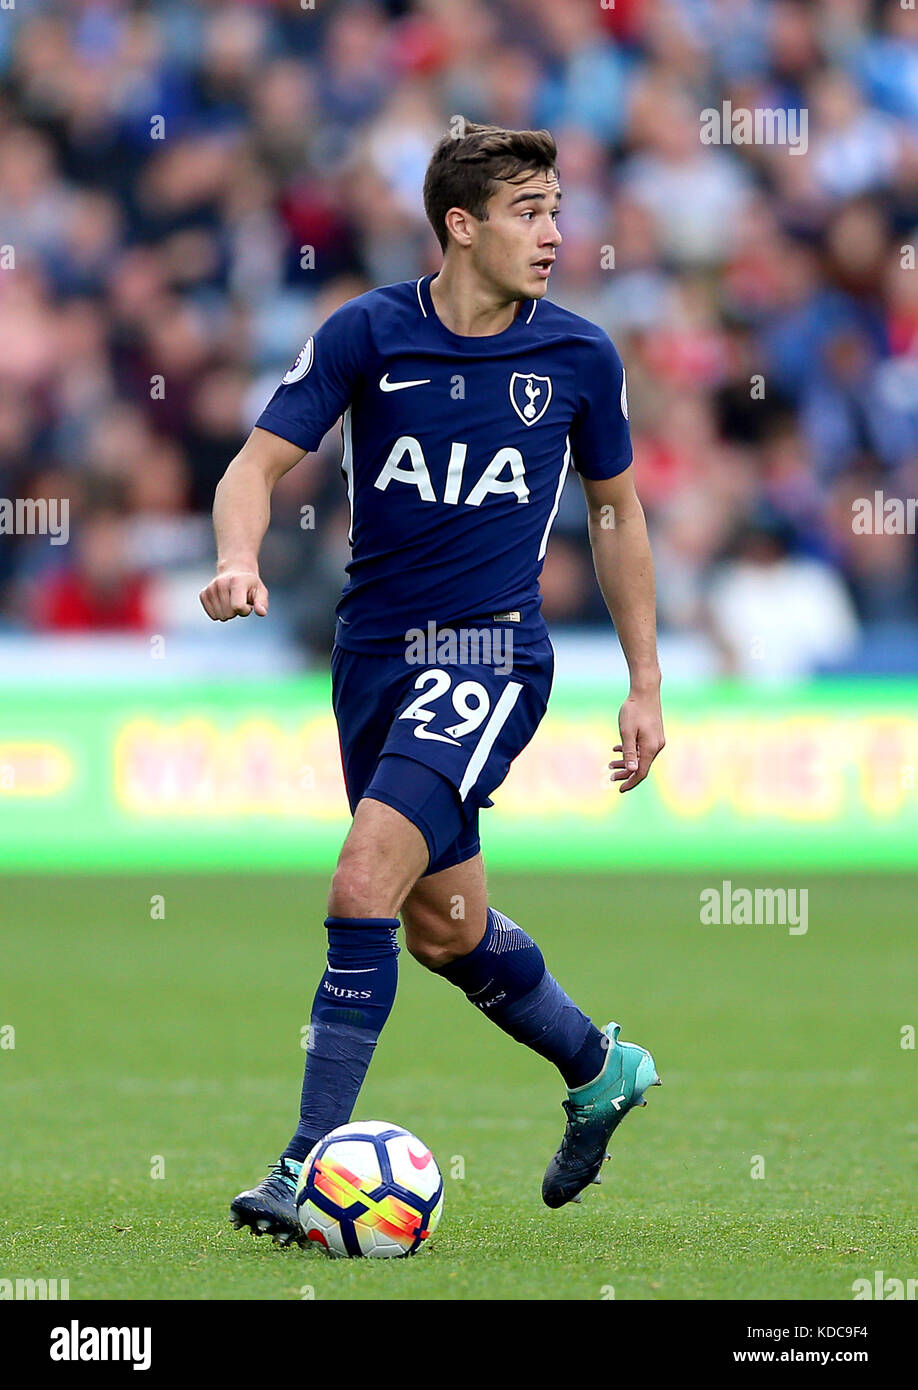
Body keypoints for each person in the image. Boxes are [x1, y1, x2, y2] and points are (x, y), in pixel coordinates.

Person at [200, 122, 665, 1243]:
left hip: (489, 655)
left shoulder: (579, 357)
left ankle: (303, 1160)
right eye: (529, 211)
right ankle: (601, 1066)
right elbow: (253, 466)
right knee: (444, 931)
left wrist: (645, 678)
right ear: (461, 226)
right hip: (371, 660)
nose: (554, 234)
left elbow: (616, 513)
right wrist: (236, 557)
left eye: (559, 209)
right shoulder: (367, 332)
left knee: (362, 876)